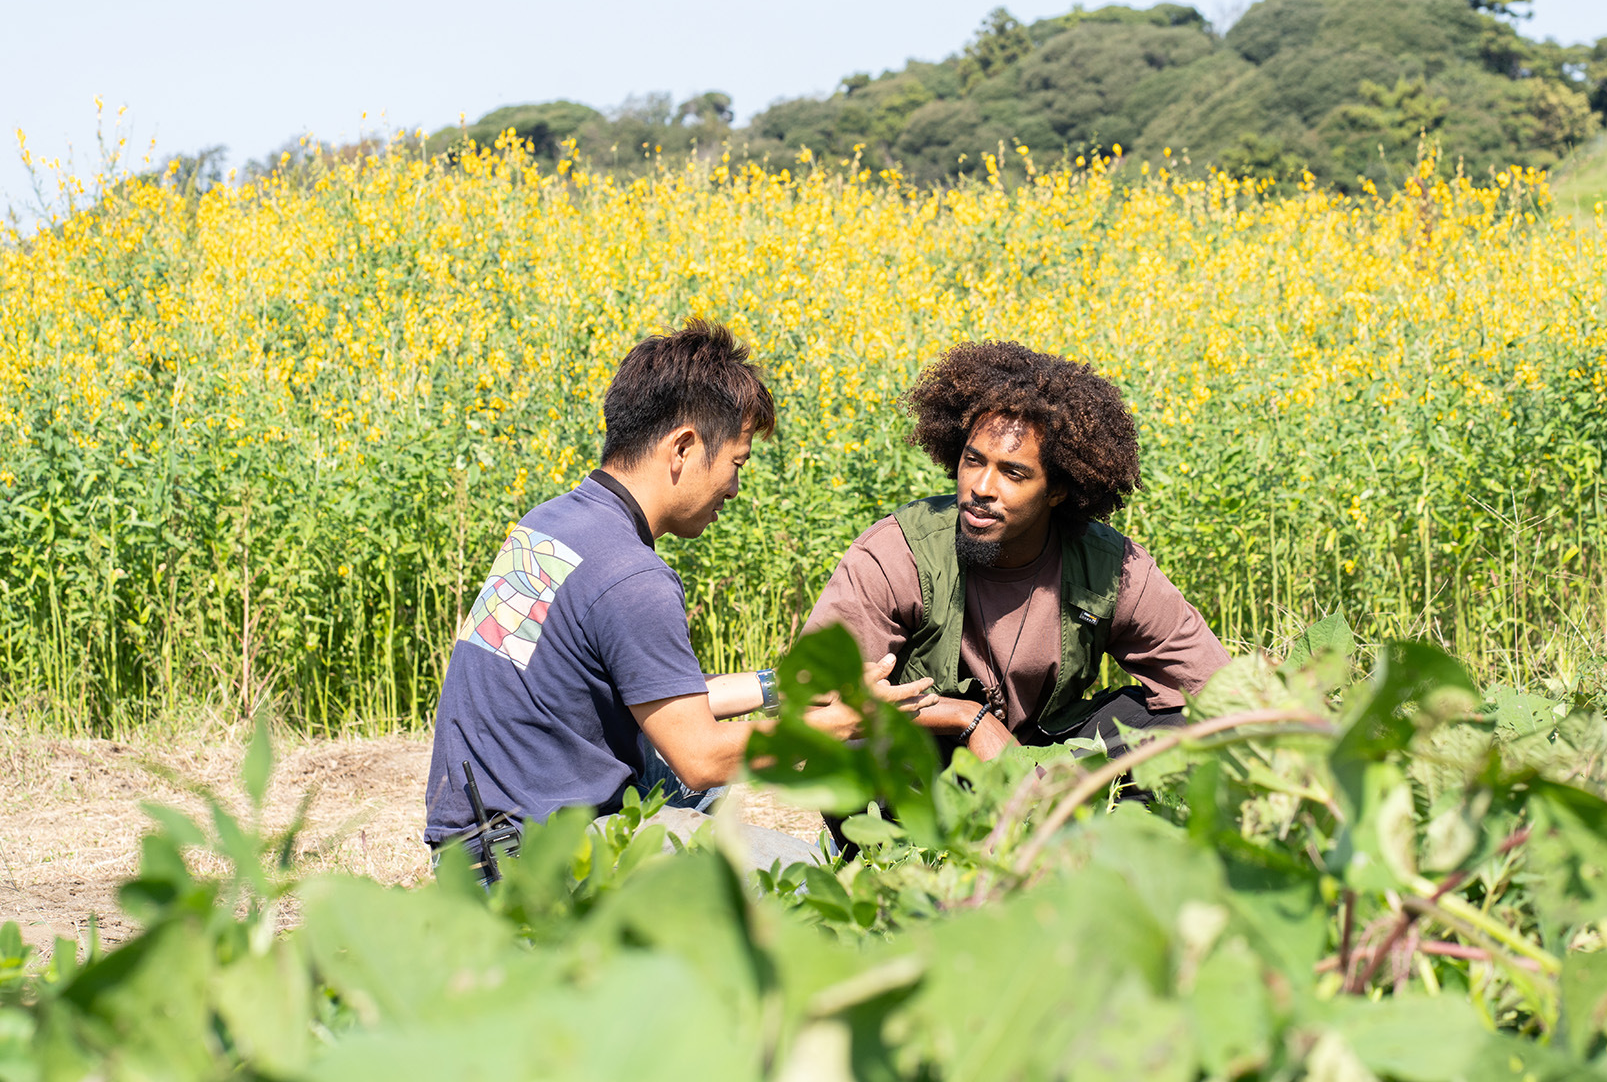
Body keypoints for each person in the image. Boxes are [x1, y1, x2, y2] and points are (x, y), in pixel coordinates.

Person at [425, 320, 933, 875]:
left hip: (473, 839)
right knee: (816, 882)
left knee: (689, 794)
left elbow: (663, 698)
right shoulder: (631, 577)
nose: (736, 489)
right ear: (684, 448)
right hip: (525, 862)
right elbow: (702, 757)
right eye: (737, 463)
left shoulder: (552, 524)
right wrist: (837, 723)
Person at [804, 341, 1229, 763]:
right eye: (973, 461)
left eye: (1013, 473)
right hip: (923, 776)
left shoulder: (1108, 570)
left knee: (1182, 727)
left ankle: (1083, 824)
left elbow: (1218, 688)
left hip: (1044, 765)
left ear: (1059, 490)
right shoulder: (898, 555)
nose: (982, 488)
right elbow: (815, 706)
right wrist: (963, 718)